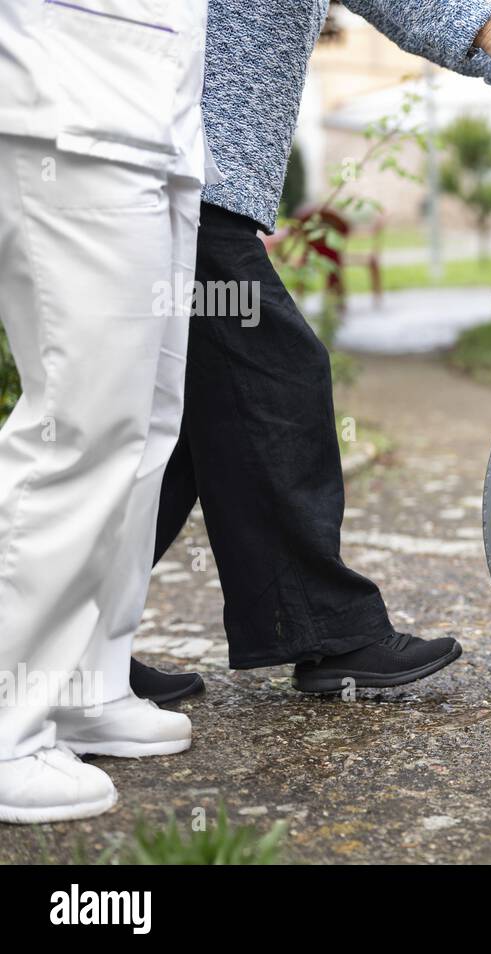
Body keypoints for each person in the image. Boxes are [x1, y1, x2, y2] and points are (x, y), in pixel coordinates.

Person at [130, 2, 491, 705]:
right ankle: (328, 634)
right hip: (180, 176)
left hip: (187, 176)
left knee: (186, 424)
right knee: (275, 380)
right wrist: (488, 29)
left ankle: (72, 639)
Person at [0, 0, 212, 823]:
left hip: (154, 113)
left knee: (144, 425)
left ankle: (87, 679)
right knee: (79, 426)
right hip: (66, 97)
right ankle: (8, 723)